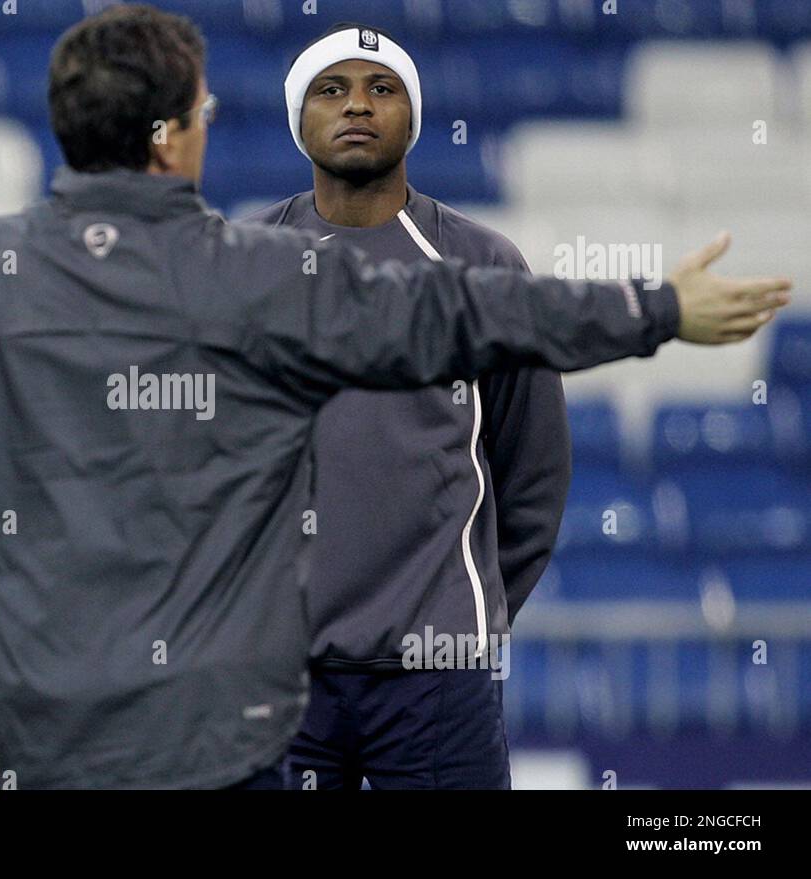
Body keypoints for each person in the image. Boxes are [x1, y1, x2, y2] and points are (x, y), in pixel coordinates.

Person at [0, 4, 789, 790]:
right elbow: (462, 319)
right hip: (224, 726)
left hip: (56, 727)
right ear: (176, 136)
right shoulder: (252, 271)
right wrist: (653, 310)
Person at [240, 22, 565, 789]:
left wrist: (466, 617)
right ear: (299, 119)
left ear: (413, 116)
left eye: (381, 88)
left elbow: (535, 477)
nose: (358, 105)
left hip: (438, 687)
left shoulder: (484, 267)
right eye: (333, 89)